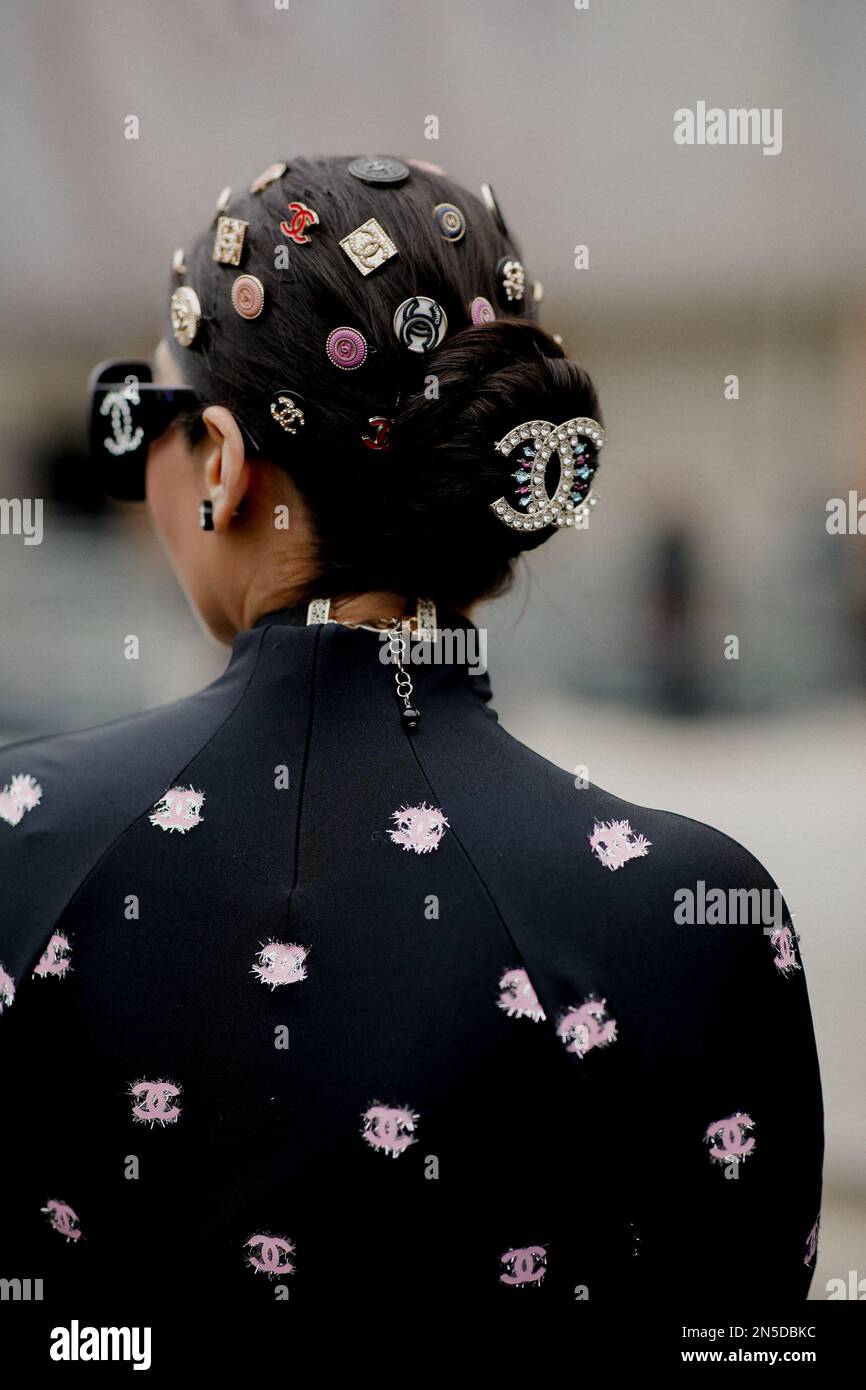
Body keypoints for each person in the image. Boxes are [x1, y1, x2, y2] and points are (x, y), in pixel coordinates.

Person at [0, 155, 823, 1325]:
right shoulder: (693, 911)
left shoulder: (22, 848)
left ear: (222, 466)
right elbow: (746, 1339)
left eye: (143, 411)